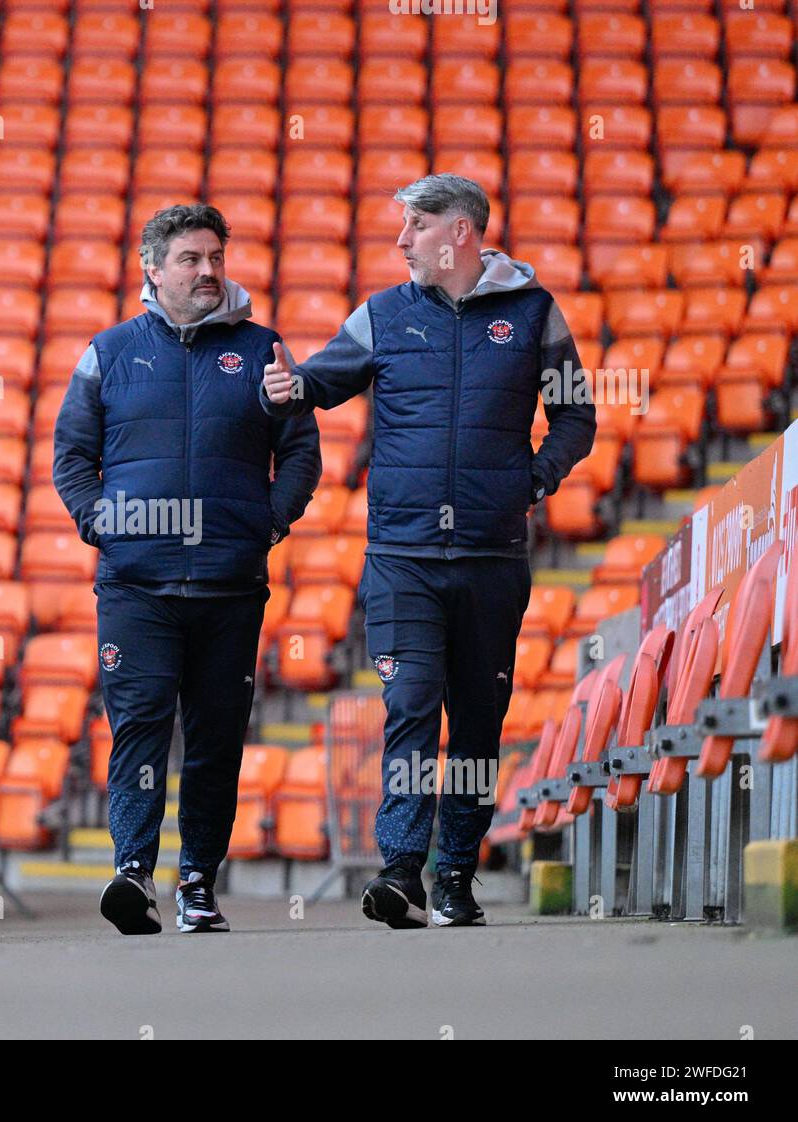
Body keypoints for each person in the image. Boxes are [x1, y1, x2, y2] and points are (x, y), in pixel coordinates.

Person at [262, 174, 596, 928]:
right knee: (410, 706)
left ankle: (455, 875)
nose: (402, 240)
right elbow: (320, 380)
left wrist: (529, 481)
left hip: (491, 556)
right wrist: (285, 385)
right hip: (402, 557)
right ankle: (402, 867)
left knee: (478, 720)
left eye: (415, 225)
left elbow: (577, 415)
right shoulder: (383, 313)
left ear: (460, 233)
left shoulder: (534, 313)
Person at [54, 204, 321, 934]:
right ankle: (134, 874)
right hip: (137, 584)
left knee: (216, 738)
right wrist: (98, 522)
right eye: (190, 259)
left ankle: (198, 881)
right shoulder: (108, 353)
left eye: (215, 258)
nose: (207, 271)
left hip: (231, 583)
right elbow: (72, 458)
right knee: (138, 727)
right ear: (152, 269)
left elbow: (301, 452)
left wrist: (269, 520)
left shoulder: (266, 351)